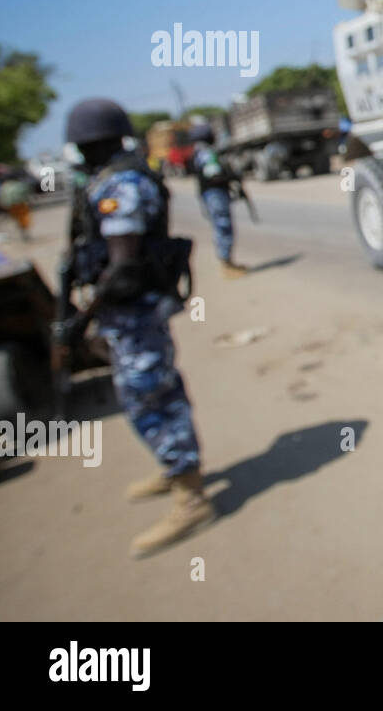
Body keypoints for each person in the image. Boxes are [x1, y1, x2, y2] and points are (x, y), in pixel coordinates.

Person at [60, 98, 213, 557]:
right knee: (160, 390)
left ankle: (191, 496)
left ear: (89, 143)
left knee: (146, 396)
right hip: (132, 311)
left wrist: (78, 322)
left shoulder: (120, 184)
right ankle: (177, 470)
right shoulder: (117, 177)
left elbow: (123, 267)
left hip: (134, 312)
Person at [189, 122, 246, 278]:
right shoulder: (206, 153)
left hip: (211, 194)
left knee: (220, 225)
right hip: (215, 194)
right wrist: (232, 177)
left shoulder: (199, 152)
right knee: (223, 226)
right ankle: (226, 265)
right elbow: (214, 175)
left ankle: (228, 262)